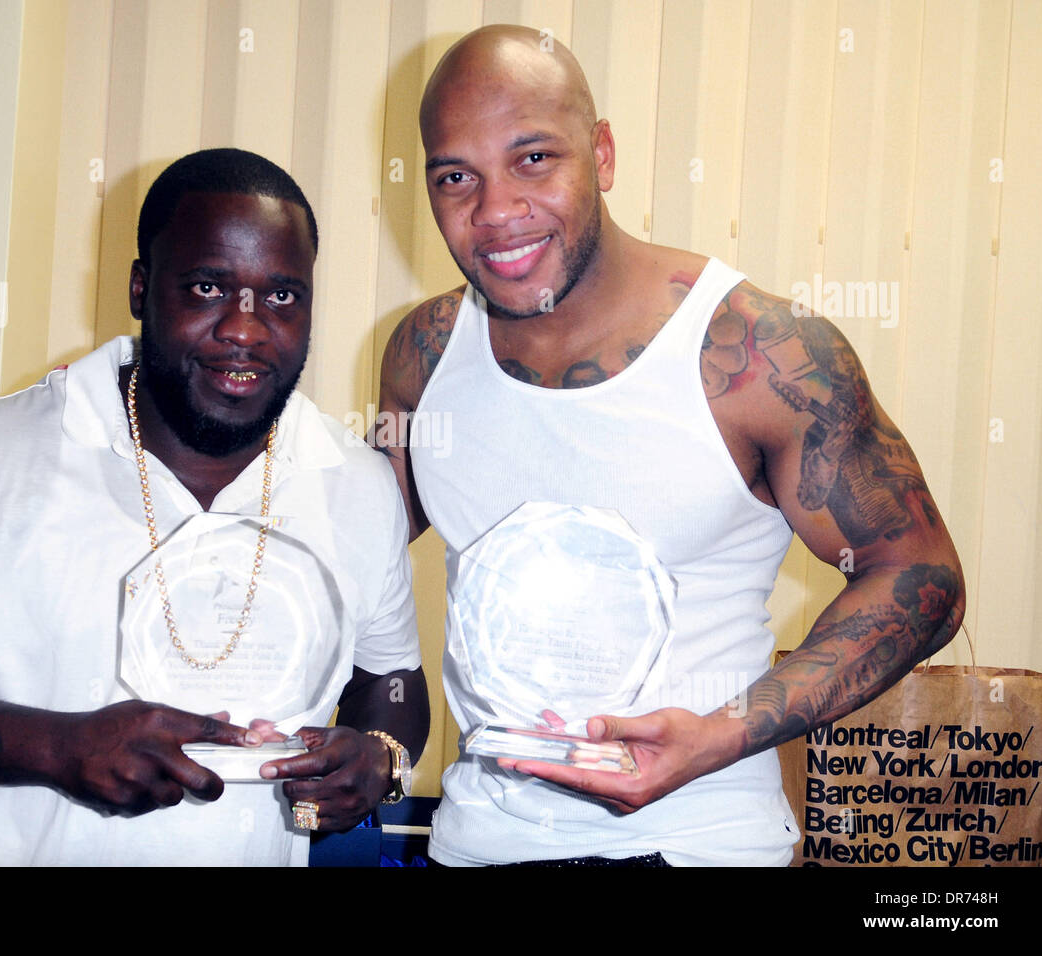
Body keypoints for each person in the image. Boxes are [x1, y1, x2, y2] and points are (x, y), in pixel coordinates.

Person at [374, 25, 963, 866]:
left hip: (699, 845)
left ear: (603, 155)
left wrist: (720, 736)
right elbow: (358, 554)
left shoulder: (759, 352)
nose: (497, 209)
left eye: (534, 158)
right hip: (477, 844)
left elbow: (922, 574)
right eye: (456, 176)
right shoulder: (422, 354)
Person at [0, 148, 428, 866]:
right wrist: (57, 747)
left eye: (282, 296)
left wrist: (378, 759)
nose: (246, 329)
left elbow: (393, 682)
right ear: (141, 288)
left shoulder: (355, 484)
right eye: (206, 288)